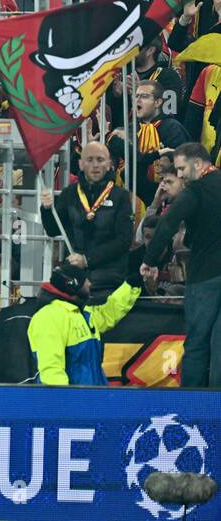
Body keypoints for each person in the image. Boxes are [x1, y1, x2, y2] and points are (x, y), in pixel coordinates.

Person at [142, 143, 221, 387]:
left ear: (198, 163)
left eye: (181, 168)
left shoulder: (195, 190)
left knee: (197, 343)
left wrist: (149, 260)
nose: (180, 175)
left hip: (204, 277)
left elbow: (167, 225)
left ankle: (193, 408)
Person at [40, 142, 134, 300]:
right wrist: (47, 209)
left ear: (110, 164)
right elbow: (53, 230)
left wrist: (87, 259)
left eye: (100, 159)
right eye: (89, 160)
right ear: (81, 164)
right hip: (74, 275)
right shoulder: (70, 193)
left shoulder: (121, 196)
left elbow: (123, 240)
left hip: (109, 278)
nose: (95, 165)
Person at [27, 260, 141, 386]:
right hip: (74, 401)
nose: (89, 283)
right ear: (73, 285)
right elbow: (51, 370)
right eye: (84, 280)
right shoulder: (49, 317)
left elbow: (109, 313)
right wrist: (63, 402)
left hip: (92, 397)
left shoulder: (81, 313)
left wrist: (131, 286)